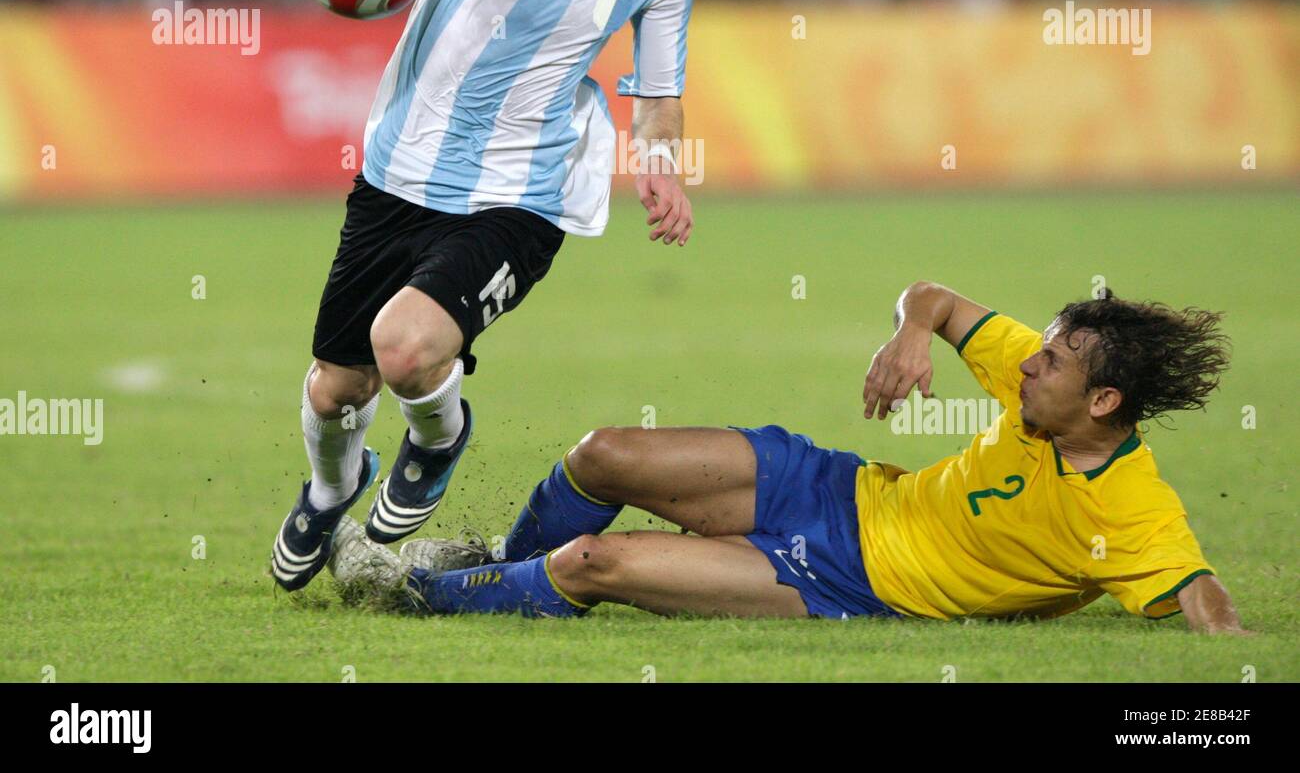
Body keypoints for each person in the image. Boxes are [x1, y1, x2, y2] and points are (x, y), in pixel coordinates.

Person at [172, 0, 732, 590]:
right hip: (400, 171)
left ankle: (437, 440)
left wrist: (660, 163)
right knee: (334, 388)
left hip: (525, 192)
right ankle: (331, 483)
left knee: (407, 346)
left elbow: (659, 89)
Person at [330, 281, 1248, 634]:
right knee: (603, 453)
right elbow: (929, 295)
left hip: (850, 578)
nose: (1026, 363)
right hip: (840, 485)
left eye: (1051, 361)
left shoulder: (1129, 507)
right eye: (1037, 346)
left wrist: (1235, 658)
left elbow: (1195, 585)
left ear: (1103, 403)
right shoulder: (1030, 379)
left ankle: (407, 591)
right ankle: (495, 564)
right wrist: (908, 336)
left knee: (593, 563)